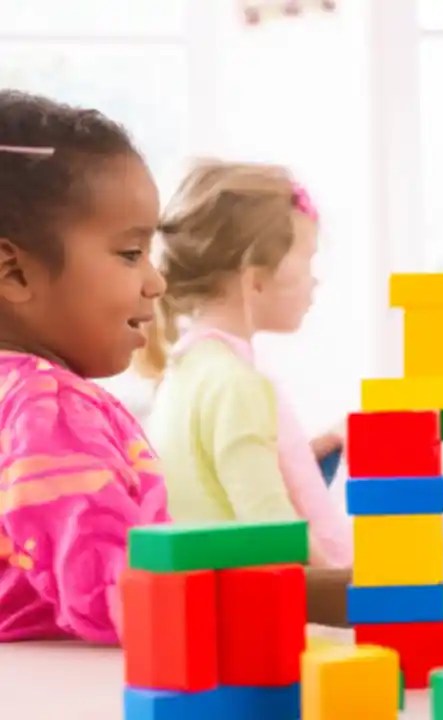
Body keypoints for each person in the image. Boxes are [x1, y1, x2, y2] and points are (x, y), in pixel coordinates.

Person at [0, 90, 169, 642]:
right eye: (129, 254)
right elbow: (121, 591)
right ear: (15, 273)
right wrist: (321, 592)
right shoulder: (50, 408)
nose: (156, 281)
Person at [136, 160, 351, 569]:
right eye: (308, 261)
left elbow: (220, 490)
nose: (315, 281)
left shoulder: (186, 371)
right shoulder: (235, 384)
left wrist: (314, 450)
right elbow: (273, 533)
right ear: (254, 279)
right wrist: (351, 601)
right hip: (279, 619)